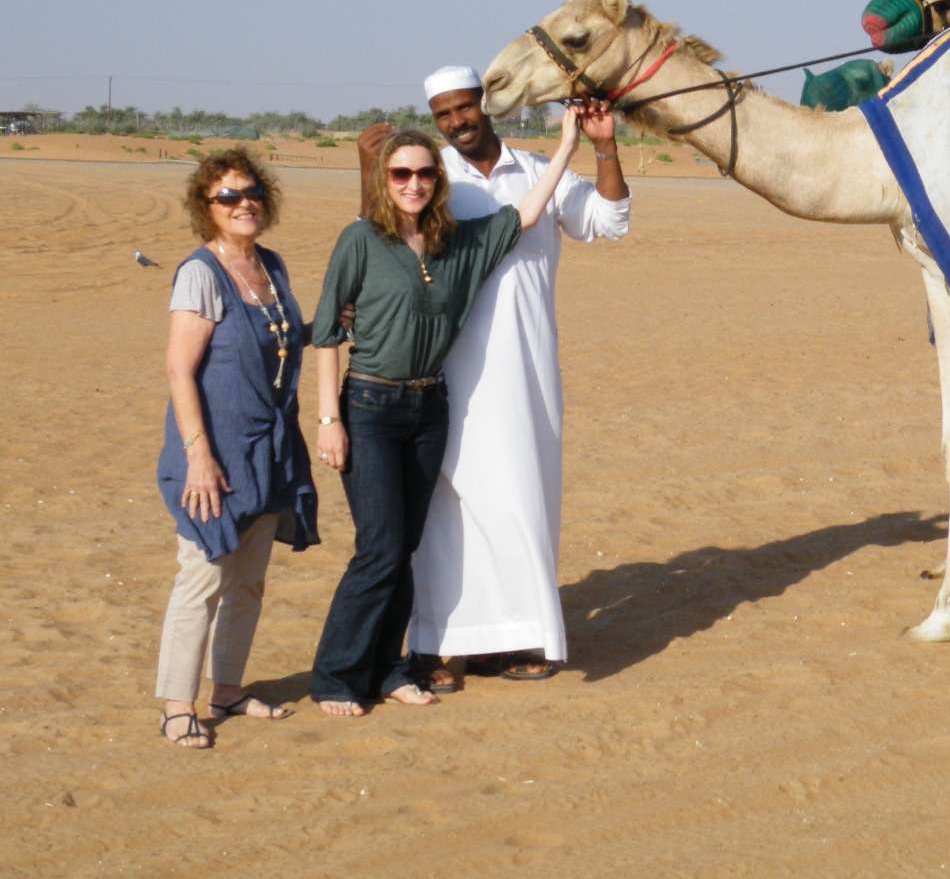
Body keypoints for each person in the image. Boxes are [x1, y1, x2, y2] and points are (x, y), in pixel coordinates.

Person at [359, 67, 629, 690]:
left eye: (464, 108)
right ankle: (433, 645)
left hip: (527, 367)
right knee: (446, 506)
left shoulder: (538, 172)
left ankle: (518, 639)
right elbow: (382, 247)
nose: (457, 121)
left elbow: (608, 223)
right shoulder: (430, 180)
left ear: (485, 105)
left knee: (522, 500)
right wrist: (368, 170)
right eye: (444, 114)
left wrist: (603, 145)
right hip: (444, 368)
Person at [308, 112, 584, 716]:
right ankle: (335, 676)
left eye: (425, 173)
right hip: (370, 406)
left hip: (429, 407)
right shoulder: (362, 239)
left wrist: (567, 142)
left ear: (440, 179)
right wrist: (328, 420)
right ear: (385, 179)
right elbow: (326, 333)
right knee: (378, 548)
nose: (413, 184)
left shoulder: (457, 243)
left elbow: (527, 213)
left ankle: (390, 669)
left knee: (406, 545)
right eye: (400, 173)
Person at [155, 150, 319, 748]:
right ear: (207, 207)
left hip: (268, 449)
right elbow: (180, 370)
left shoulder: (270, 266)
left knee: (248, 580)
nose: (242, 203)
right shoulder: (200, 272)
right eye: (226, 196)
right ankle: (178, 704)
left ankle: (226, 689)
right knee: (201, 576)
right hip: (215, 455)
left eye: (250, 192)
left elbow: (277, 338)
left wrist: (329, 325)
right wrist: (198, 455)